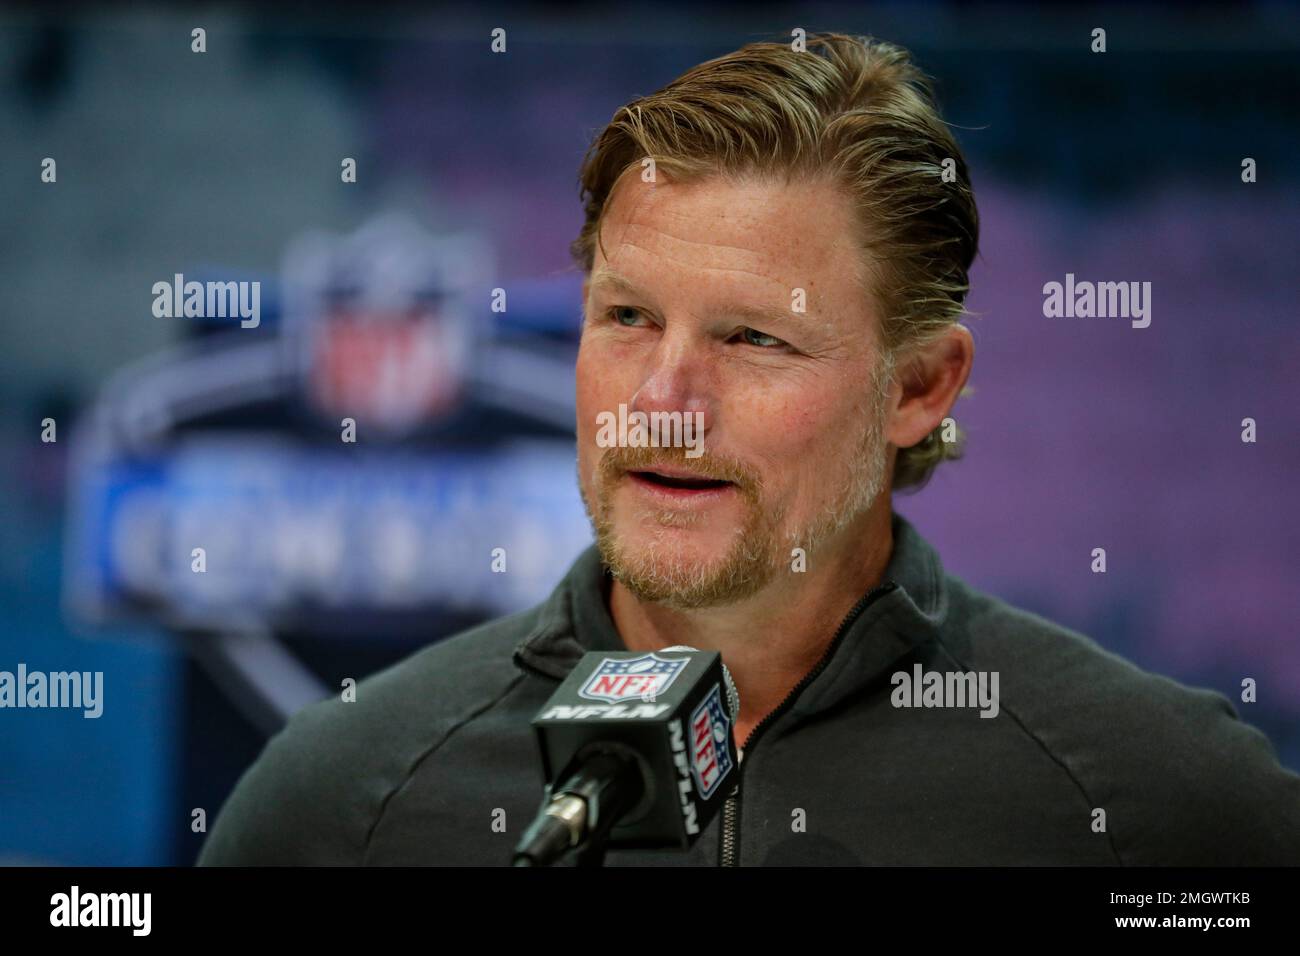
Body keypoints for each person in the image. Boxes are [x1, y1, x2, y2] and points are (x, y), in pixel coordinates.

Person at [198, 32, 1300, 866]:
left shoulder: (1161, 802)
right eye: (625, 319)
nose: (664, 402)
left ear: (918, 386)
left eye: (752, 337)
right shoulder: (338, 800)